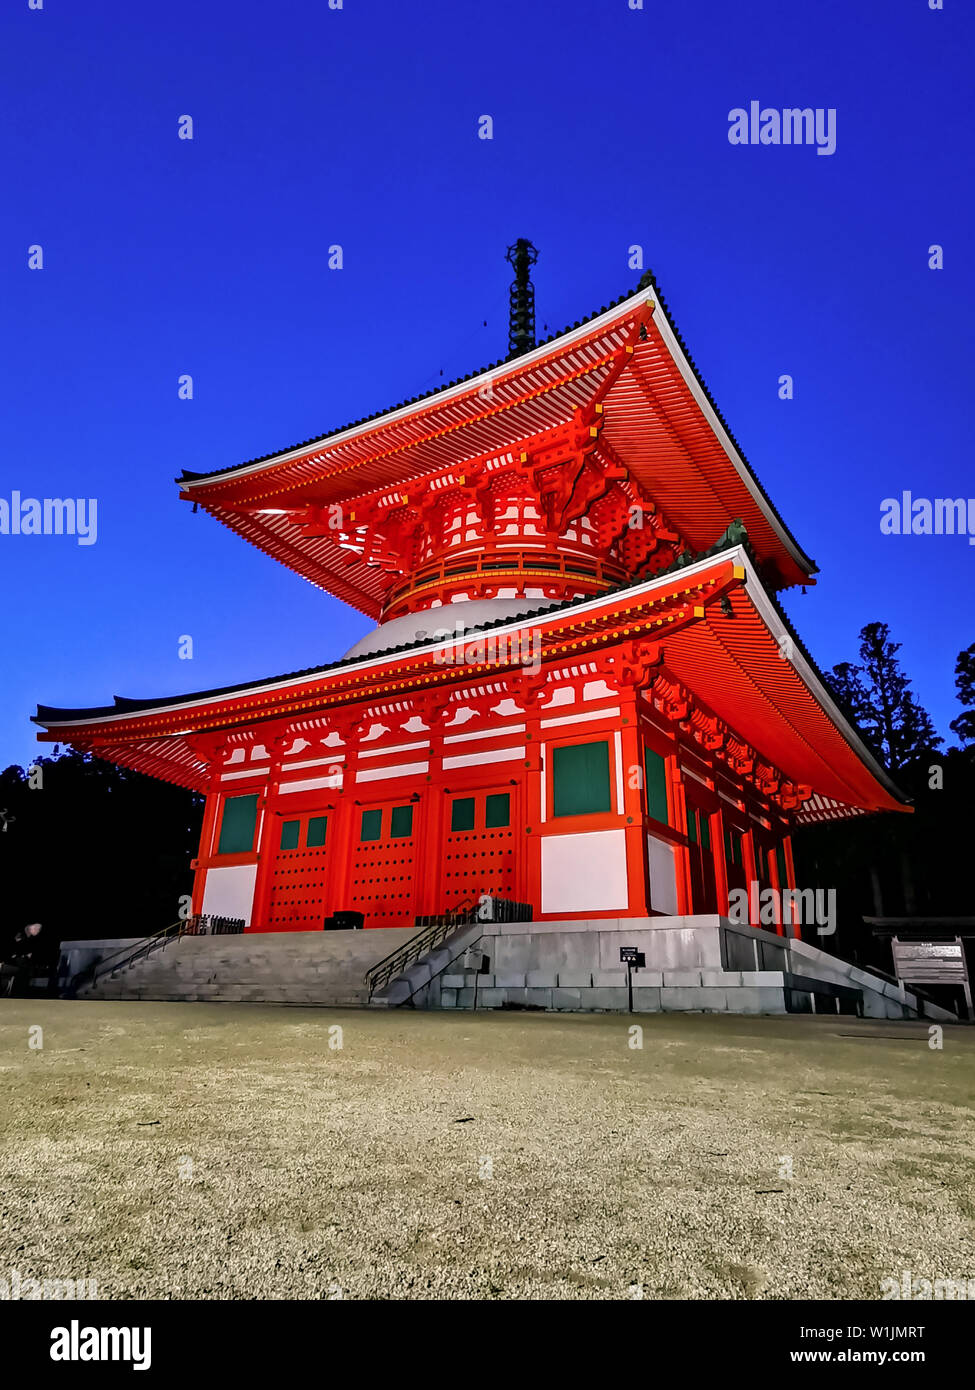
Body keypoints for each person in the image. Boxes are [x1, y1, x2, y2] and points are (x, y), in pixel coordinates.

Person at [0, 923, 43, 998]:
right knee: (22, 972)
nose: (38, 933)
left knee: (22, 972)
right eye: (38, 931)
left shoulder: (29, 937)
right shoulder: (21, 934)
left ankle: (12, 991)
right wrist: (24, 955)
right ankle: (15, 993)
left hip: (12, 963)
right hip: (8, 963)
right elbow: (14, 947)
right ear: (33, 929)